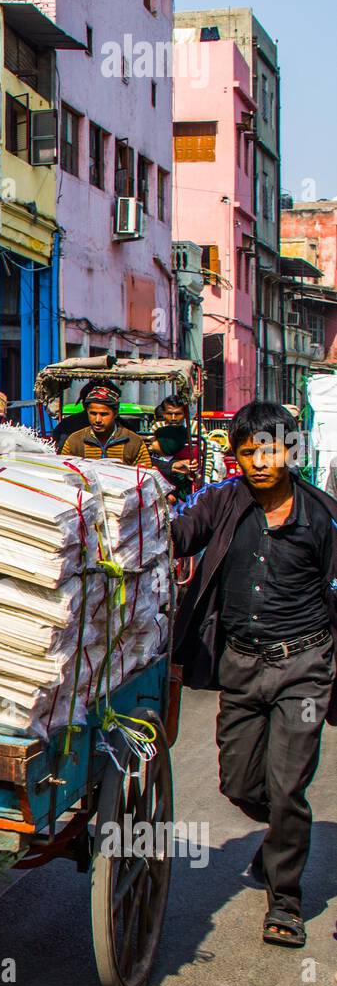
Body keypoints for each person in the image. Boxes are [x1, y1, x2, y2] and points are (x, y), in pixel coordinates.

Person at [169, 401, 337, 948]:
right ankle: (283, 832)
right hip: (241, 664)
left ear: (289, 451)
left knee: (289, 786)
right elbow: (177, 533)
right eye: (247, 452)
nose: (259, 462)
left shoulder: (323, 515)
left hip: (304, 668)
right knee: (238, 782)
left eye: (269, 450)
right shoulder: (221, 503)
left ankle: (285, 901)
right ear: (235, 457)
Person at [59, 380, 153, 467]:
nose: (98, 419)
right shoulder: (74, 441)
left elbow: (145, 474)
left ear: (115, 414)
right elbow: (64, 471)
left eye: (104, 414)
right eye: (93, 413)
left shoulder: (133, 441)